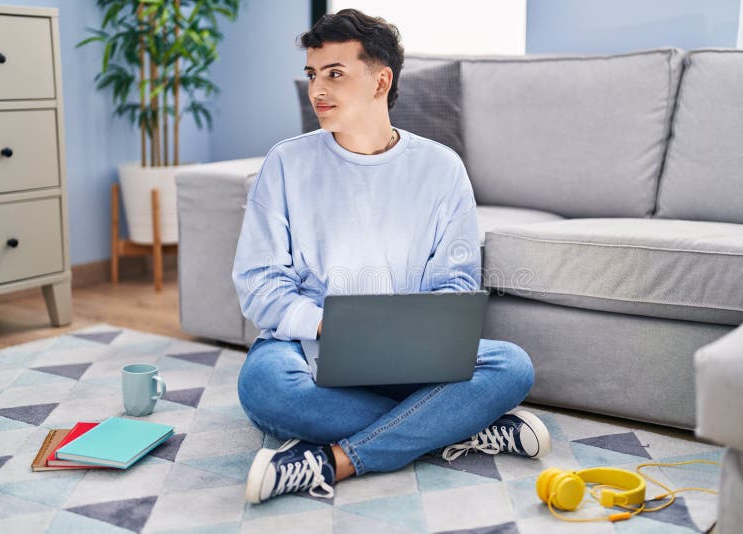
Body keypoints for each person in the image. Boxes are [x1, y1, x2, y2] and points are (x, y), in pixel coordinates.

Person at [232, 8, 551, 504]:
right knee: (264, 388)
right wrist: (324, 327)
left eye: (335, 74)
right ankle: (461, 425)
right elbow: (260, 281)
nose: (318, 89)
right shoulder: (285, 163)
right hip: (305, 344)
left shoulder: (442, 169)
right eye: (313, 74)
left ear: (381, 81)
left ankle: (334, 460)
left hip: (412, 356)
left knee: (512, 365)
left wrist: (412, 336)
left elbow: (455, 282)